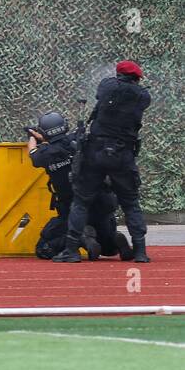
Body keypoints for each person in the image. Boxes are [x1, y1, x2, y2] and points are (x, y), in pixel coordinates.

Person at [54, 61, 152, 263]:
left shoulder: (107, 86)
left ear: (119, 74)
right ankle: (140, 251)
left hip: (95, 152)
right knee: (131, 203)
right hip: (123, 154)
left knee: (81, 201)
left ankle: (72, 249)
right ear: (137, 77)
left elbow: (103, 95)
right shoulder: (143, 95)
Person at [27, 111, 130, 261]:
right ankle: (113, 238)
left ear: (43, 133)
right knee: (108, 250)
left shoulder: (46, 153)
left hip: (72, 209)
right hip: (101, 205)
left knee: (44, 249)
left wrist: (31, 136)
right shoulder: (81, 141)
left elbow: (33, 153)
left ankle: (80, 238)